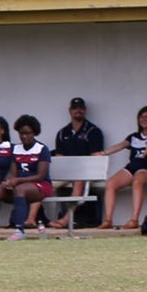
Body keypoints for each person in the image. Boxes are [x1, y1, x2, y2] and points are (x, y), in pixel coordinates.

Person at [96, 104, 147, 229]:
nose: (144, 119)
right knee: (111, 183)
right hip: (131, 168)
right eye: (141, 117)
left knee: (137, 181)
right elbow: (120, 146)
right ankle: (108, 220)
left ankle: (134, 220)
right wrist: (102, 153)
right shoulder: (133, 136)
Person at [0, 115, 52, 241]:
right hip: (22, 186)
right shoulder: (15, 149)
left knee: (20, 190)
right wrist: (10, 182)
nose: (25, 137)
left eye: (28, 133)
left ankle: (19, 230)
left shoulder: (42, 149)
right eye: (22, 133)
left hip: (41, 186)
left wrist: (18, 181)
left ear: (35, 133)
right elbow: (15, 174)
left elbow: (41, 176)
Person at [50, 97, 103, 227]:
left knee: (79, 179)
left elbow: (95, 158)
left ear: (84, 110)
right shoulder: (63, 133)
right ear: (70, 111)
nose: (77, 111)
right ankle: (35, 219)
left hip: (85, 173)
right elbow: (59, 158)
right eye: (75, 108)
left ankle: (66, 219)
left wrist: (79, 169)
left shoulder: (93, 131)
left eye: (80, 108)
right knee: (43, 185)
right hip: (66, 173)